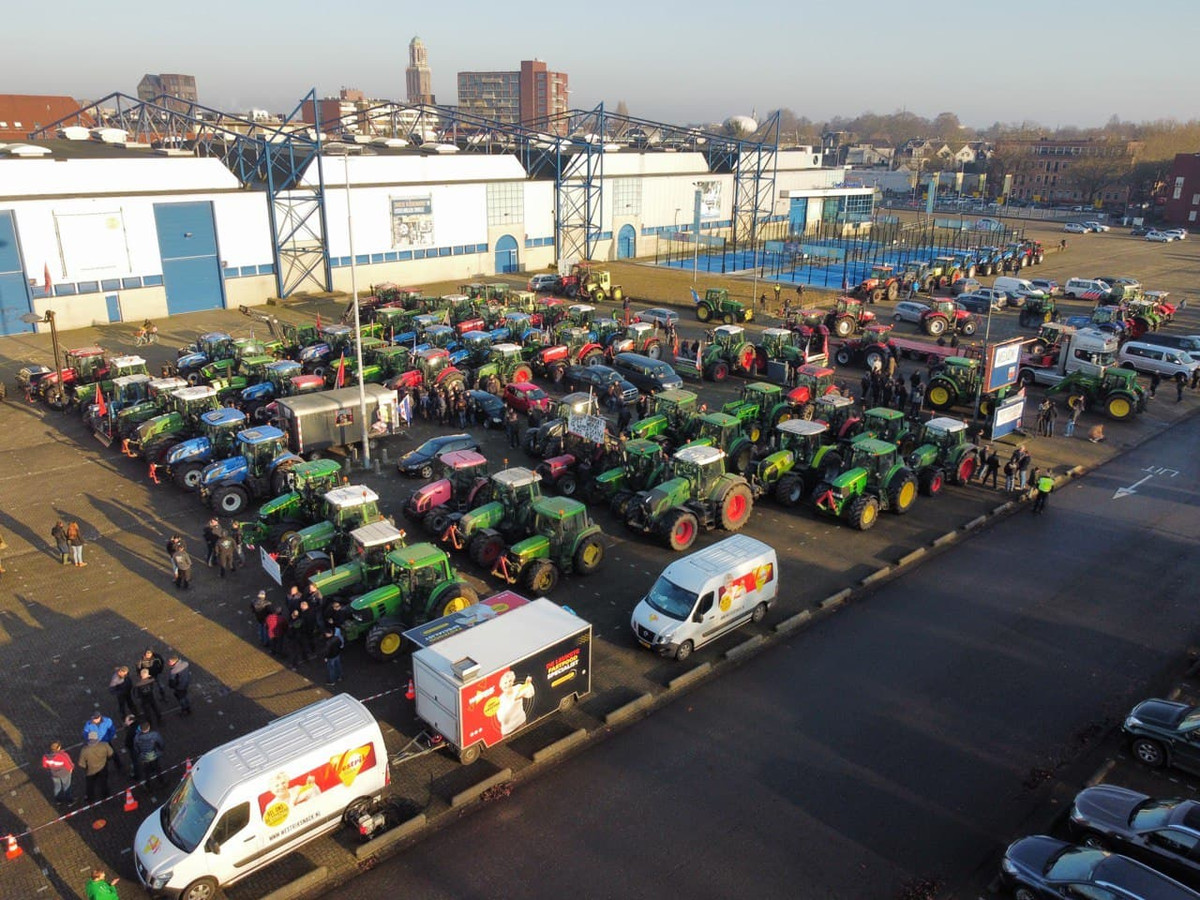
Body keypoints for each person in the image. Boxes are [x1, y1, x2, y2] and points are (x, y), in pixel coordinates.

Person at [78, 732, 113, 803]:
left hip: (91, 770)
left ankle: (90, 797)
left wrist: (86, 767)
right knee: (104, 781)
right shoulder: (104, 745)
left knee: (90, 784)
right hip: (103, 767)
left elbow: (81, 764)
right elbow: (111, 753)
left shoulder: (85, 750)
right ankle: (105, 794)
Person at [133, 720, 166, 792]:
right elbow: (161, 743)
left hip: (144, 757)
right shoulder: (155, 735)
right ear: (148, 727)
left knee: (146, 772)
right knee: (158, 769)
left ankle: (148, 786)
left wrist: (140, 754)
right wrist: (160, 750)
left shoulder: (137, 737)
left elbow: (136, 748)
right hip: (154, 755)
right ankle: (162, 782)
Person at [42, 740, 75, 806]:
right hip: (64, 774)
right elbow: (70, 765)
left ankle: (58, 801)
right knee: (66, 787)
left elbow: (45, 765)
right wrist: (71, 770)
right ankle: (70, 801)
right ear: (58, 748)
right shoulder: (63, 755)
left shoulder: (45, 757)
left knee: (57, 787)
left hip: (54, 774)